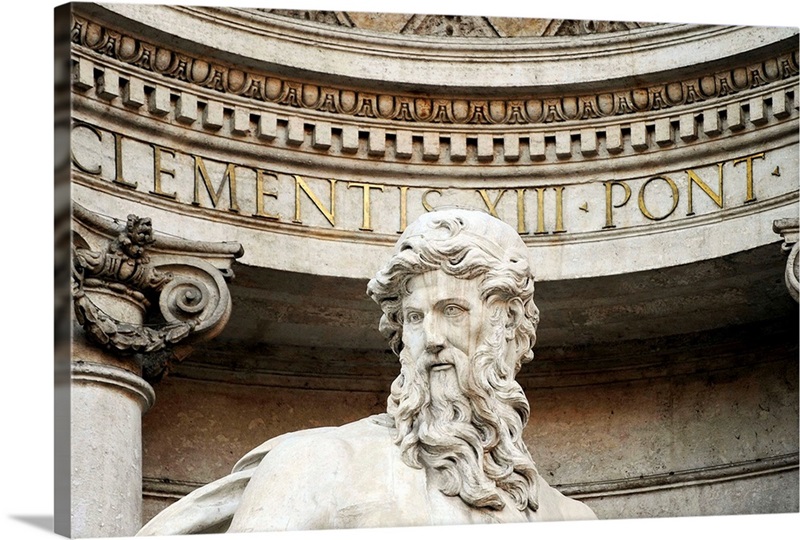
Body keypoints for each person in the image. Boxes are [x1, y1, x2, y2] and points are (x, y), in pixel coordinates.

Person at [137, 208, 596, 536]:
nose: (430, 337)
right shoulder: (314, 468)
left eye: (452, 310)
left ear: (508, 324)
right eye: (414, 318)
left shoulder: (574, 522)